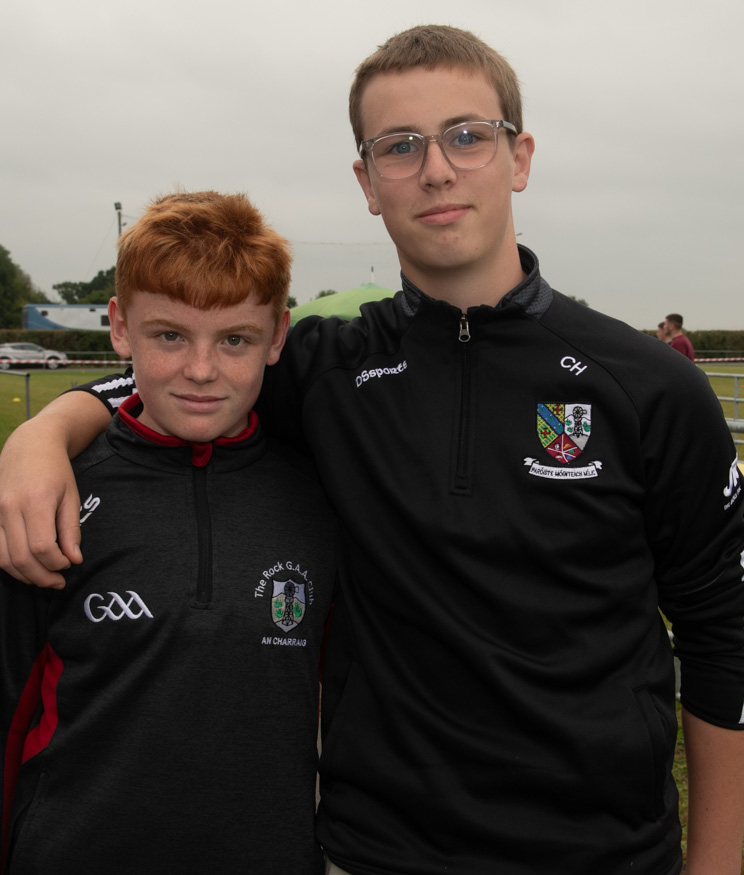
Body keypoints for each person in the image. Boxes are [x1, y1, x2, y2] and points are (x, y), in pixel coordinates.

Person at [0, 24, 743, 875]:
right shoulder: (324, 369)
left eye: (469, 136)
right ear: (366, 180)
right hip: (373, 853)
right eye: (400, 145)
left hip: (606, 855)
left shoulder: (649, 387)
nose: (436, 168)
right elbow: (175, 383)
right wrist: (42, 434)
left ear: (521, 156)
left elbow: (723, 635)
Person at [0, 191, 336, 875]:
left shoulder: (322, 495)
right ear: (121, 328)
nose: (202, 370)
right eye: (170, 335)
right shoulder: (50, 493)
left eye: (235, 339)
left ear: (277, 336)